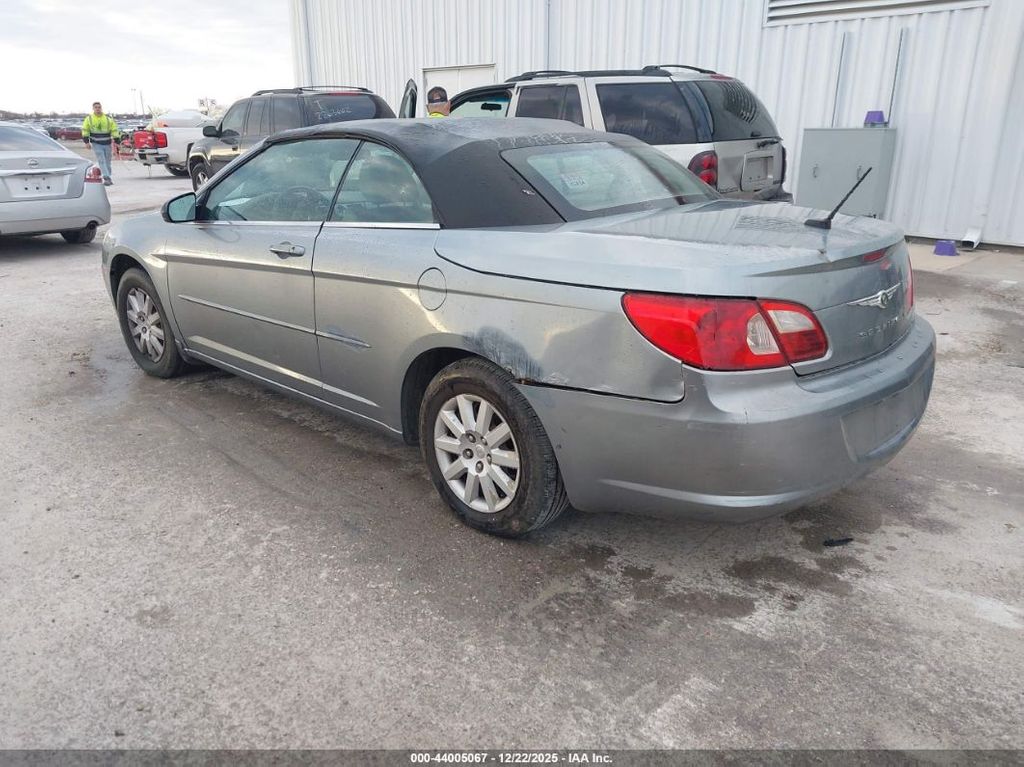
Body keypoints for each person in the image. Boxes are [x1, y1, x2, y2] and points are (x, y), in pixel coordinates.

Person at [81, 101, 120, 186]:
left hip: (107, 143)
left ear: (101, 108)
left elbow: (114, 130)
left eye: (99, 107)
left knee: (107, 161)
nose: (98, 109)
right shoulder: (89, 119)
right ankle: (106, 177)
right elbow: (85, 130)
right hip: (96, 143)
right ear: (93, 109)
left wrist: (117, 141)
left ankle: (108, 176)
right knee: (101, 160)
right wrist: (86, 142)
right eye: (96, 107)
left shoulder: (107, 119)